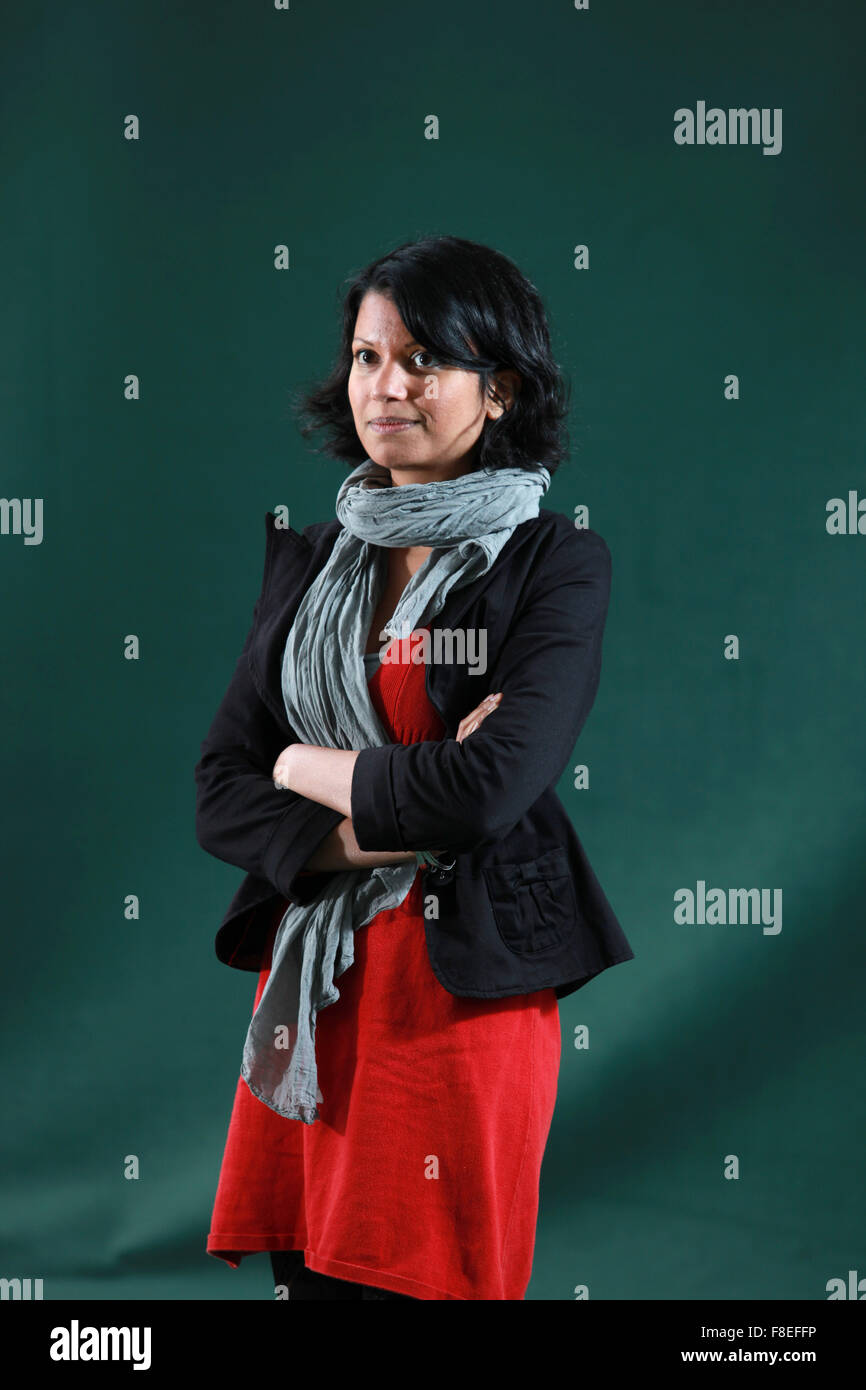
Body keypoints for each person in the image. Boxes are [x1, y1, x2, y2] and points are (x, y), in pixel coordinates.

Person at [195, 233, 634, 1301]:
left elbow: (486, 791)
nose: (384, 387)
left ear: (500, 390)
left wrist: (297, 764)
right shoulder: (309, 560)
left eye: (422, 359)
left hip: (457, 998)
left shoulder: (554, 564)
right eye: (365, 356)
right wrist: (376, 788)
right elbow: (220, 788)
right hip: (313, 989)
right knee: (310, 1278)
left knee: (430, 1281)